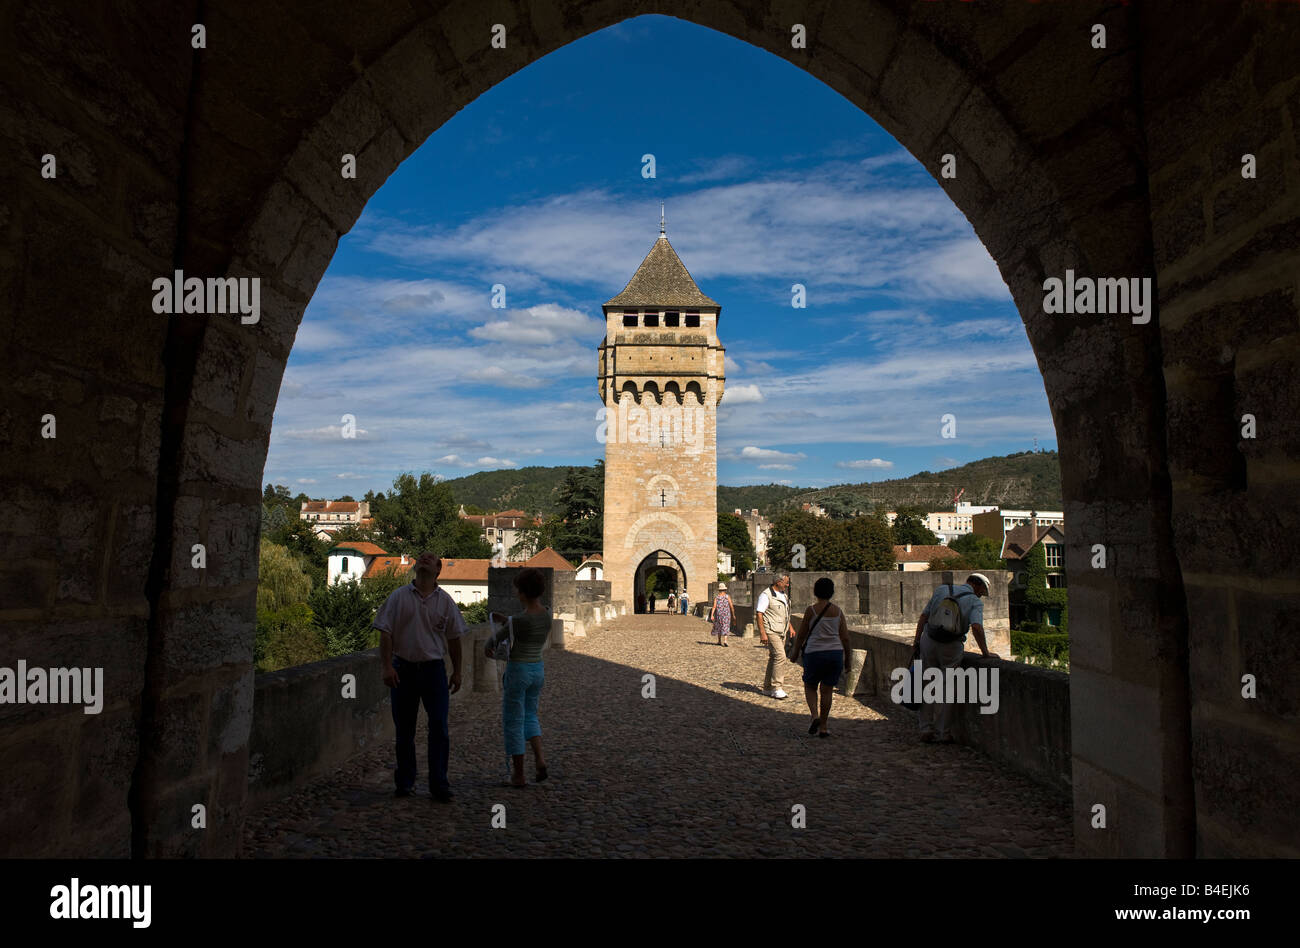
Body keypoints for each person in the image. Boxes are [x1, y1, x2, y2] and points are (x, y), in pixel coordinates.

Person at [374, 552, 466, 801]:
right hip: (402, 669)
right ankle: (405, 782)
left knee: (439, 729)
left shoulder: (445, 601)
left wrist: (457, 671)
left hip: (433, 670)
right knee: (405, 730)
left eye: (431, 559)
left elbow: (455, 639)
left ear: (438, 570)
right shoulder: (398, 597)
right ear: (415, 567)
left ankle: (439, 784)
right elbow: (385, 632)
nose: (424, 559)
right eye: (421, 557)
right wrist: (386, 667)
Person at [911, 573, 996, 744]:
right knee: (949, 689)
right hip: (951, 645)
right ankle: (943, 731)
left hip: (929, 640)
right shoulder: (974, 601)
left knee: (927, 684)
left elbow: (923, 616)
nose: (981, 595)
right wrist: (985, 652)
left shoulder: (942, 589)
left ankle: (925, 728)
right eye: (982, 591)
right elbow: (977, 627)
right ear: (977, 586)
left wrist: (917, 640)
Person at [486, 568, 550, 787]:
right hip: (537, 669)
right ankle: (540, 760)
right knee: (531, 715)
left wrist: (504, 625)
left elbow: (493, 642)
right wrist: (508, 621)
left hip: (518, 671)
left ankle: (519, 774)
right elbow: (523, 624)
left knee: (514, 721)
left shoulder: (517, 621)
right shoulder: (547, 614)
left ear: (521, 593)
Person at [791, 577, 851, 738]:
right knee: (827, 691)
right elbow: (845, 637)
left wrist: (795, 652)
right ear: (832, 592)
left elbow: (802, 634)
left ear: (815, 592)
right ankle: (823, 727)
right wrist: (848, 659)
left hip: (814, 653)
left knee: (810, 686)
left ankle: (814, 716)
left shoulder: (812, 610)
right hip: (835, 654)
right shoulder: (838, 611)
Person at [756, 574, 794, 699]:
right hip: (771, 630)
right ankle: (777, 687)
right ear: (778, 582)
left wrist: (790, 627)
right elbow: (759, 614)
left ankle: (767, 687)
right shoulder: (765, 595)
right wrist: (762, 633)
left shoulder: (784, 595)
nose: (787, 585)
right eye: (786, 582)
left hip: (781, 631)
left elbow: (785, 614)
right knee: (780, 656)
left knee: (773, 658)